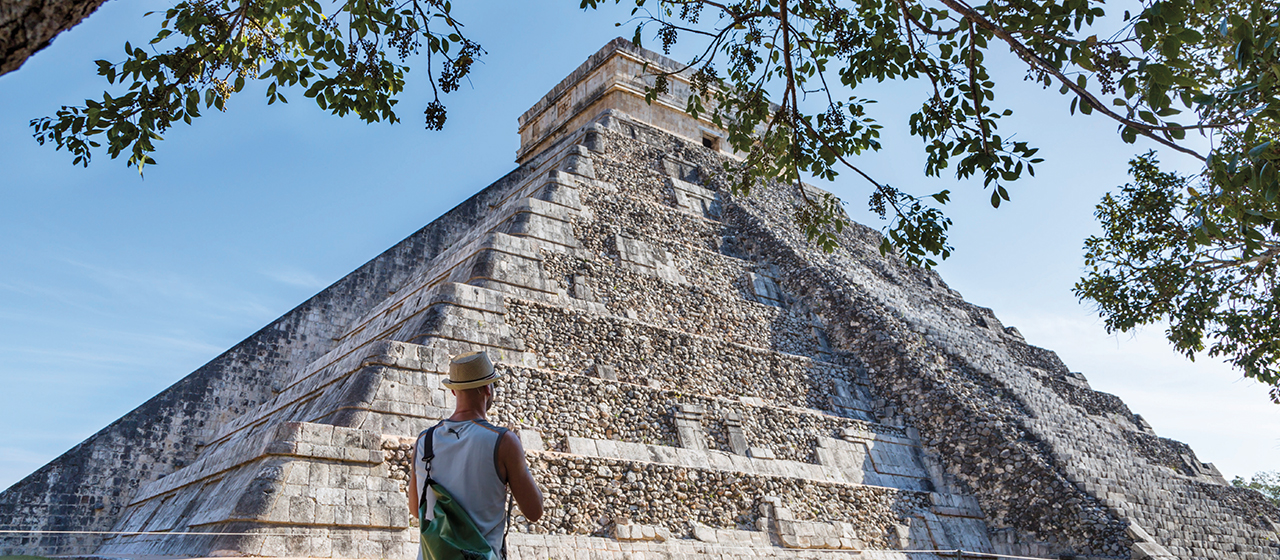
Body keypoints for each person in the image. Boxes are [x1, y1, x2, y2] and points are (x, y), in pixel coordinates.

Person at [408, 351, 544, 559]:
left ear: (454, 391)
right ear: (488, 389)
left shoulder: (424, 441)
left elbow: (415, 508)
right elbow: (534, 511)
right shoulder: (503, 441)